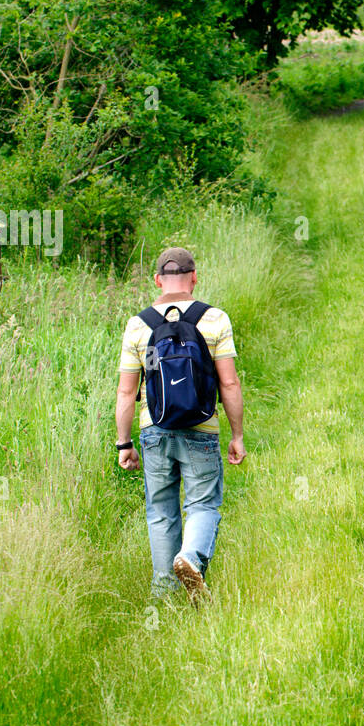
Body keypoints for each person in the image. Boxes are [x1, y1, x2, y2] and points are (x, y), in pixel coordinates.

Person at [114, 247, 246, 602]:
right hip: (202, 427)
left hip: (154, 429)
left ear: (157, 280)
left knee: (160, 511)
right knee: (202, 505)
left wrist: (124, 443)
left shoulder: (138, 324)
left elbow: (127, 392)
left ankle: (164, 593)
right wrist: (237, 435)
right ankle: (190, 558)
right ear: (194, 277)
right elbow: (230, 383)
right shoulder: (215, 319)